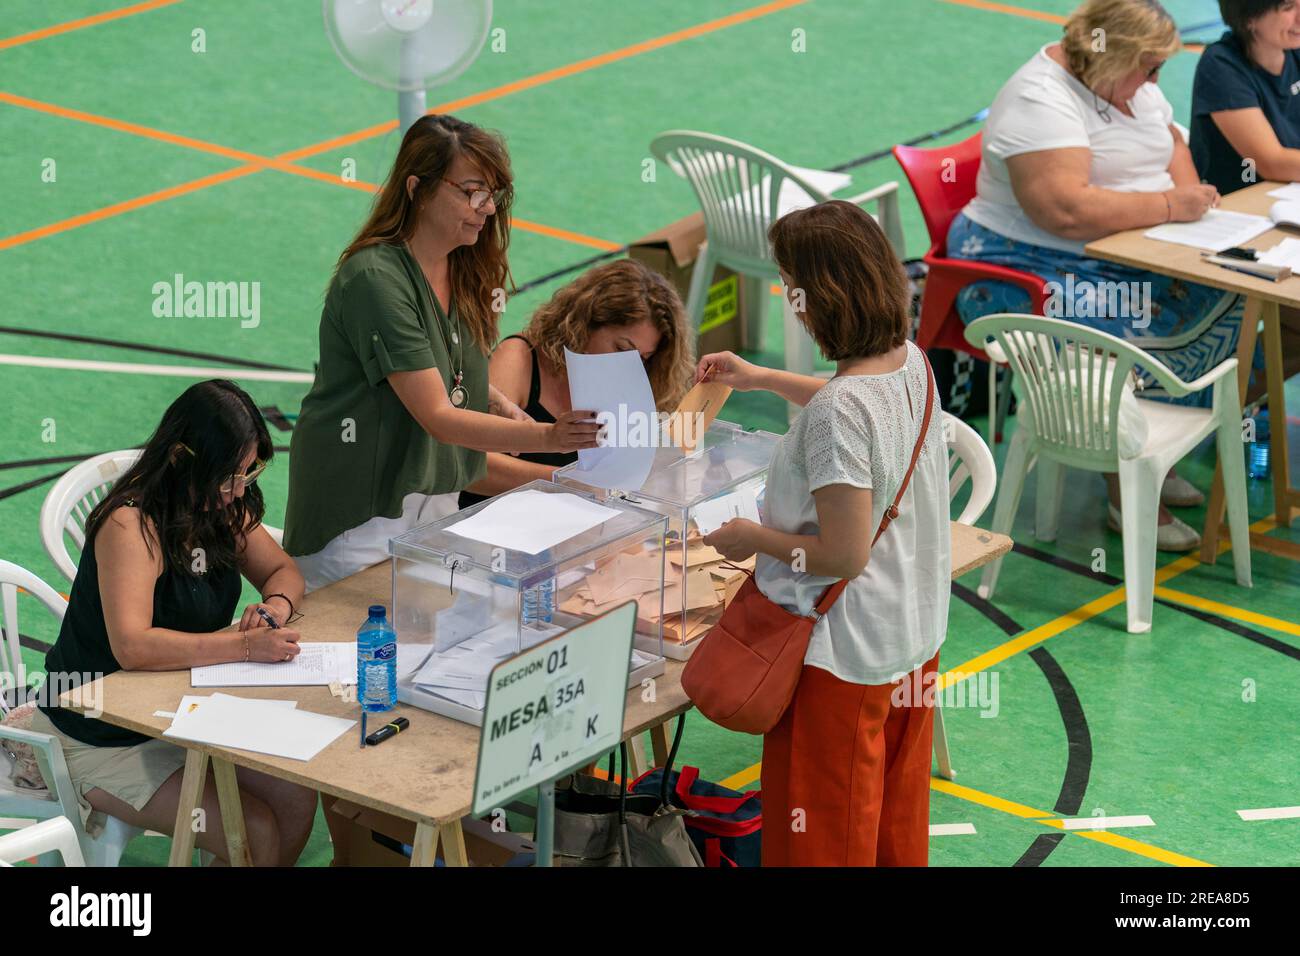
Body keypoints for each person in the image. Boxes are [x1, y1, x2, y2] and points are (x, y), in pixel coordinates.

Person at [696, 200, 951, 866]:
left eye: (791, 285)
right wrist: (761, 377)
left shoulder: (841, 411)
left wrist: (753, 538)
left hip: (845, 657)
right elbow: (856, 406)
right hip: (913, 637)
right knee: (894, 824)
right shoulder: (910, 361)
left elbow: (843, 554)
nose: (789, 299)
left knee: (824, 842)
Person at [946, 0, 1237, 552]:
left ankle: (1150, 450)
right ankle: (1124, 486)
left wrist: (1187, 206)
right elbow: (1065, 211)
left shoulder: (1128, 85)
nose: (1155, 81)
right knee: (1106, 333)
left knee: (1221, 302)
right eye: (1148, 68)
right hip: (1016, 265)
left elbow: (1173, 144)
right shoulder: (1039, 98)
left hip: (1117, 248)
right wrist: (1172, 207)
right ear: (1115, 57)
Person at [284, 115, 600, 591]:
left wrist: (493, 400)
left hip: (432, 506)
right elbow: (436, 413)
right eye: (472, 192)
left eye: (491, 195)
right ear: (418, 188)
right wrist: (550, 438)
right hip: (359, 521)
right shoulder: (376, 278)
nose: (486, 208)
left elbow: (445, 366)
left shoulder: (464, 272)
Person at [29, 380, 317, 867]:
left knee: (295, 797)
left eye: (250, 471)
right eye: (229, 475)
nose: (239, 489)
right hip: (95, 735)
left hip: (175, 715)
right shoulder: (130, 524)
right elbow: (133, 647)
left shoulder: (222, 507)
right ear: (186, 460)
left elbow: (281, 571)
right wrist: (245, 647)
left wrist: (276, 608)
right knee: (252, 830)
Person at [458, 258, 695, 508]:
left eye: (644, 358)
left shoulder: (633, 380)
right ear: (584, 325)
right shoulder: (519, 359)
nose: (629, 367)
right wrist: (564, 484)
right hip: (495, 528)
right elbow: (467, 465)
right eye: (622, 348)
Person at [1191, 0, 1300, 194]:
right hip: (1243, 199)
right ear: (1249, 17)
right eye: (1288, 8)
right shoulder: (1221, 65)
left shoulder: (1294, 48)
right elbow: (1271, 163)